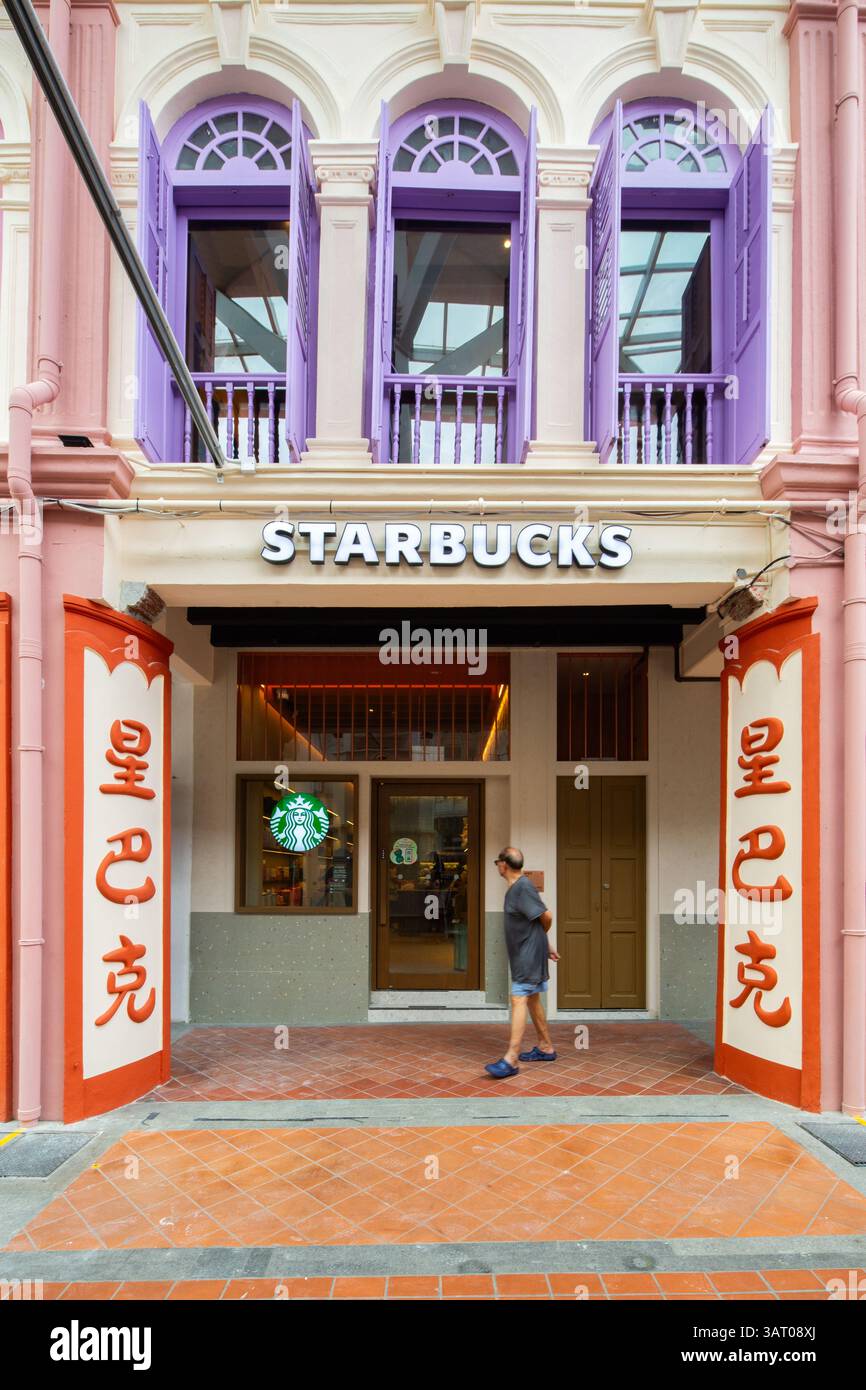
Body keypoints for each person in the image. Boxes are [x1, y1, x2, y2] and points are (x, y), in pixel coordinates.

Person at [485, 847, 559, 1078]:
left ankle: (511, 1059)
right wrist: (544, 943)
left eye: (497, 862)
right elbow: (534, 920)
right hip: (528, 951)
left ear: (503, 865)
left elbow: (546, 917)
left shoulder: (522, 887)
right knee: (533, 998)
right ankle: (546, 1046)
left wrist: (539, 941)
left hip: (527, 954)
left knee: (519, 997)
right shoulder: (519, 888)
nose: (497, 866)